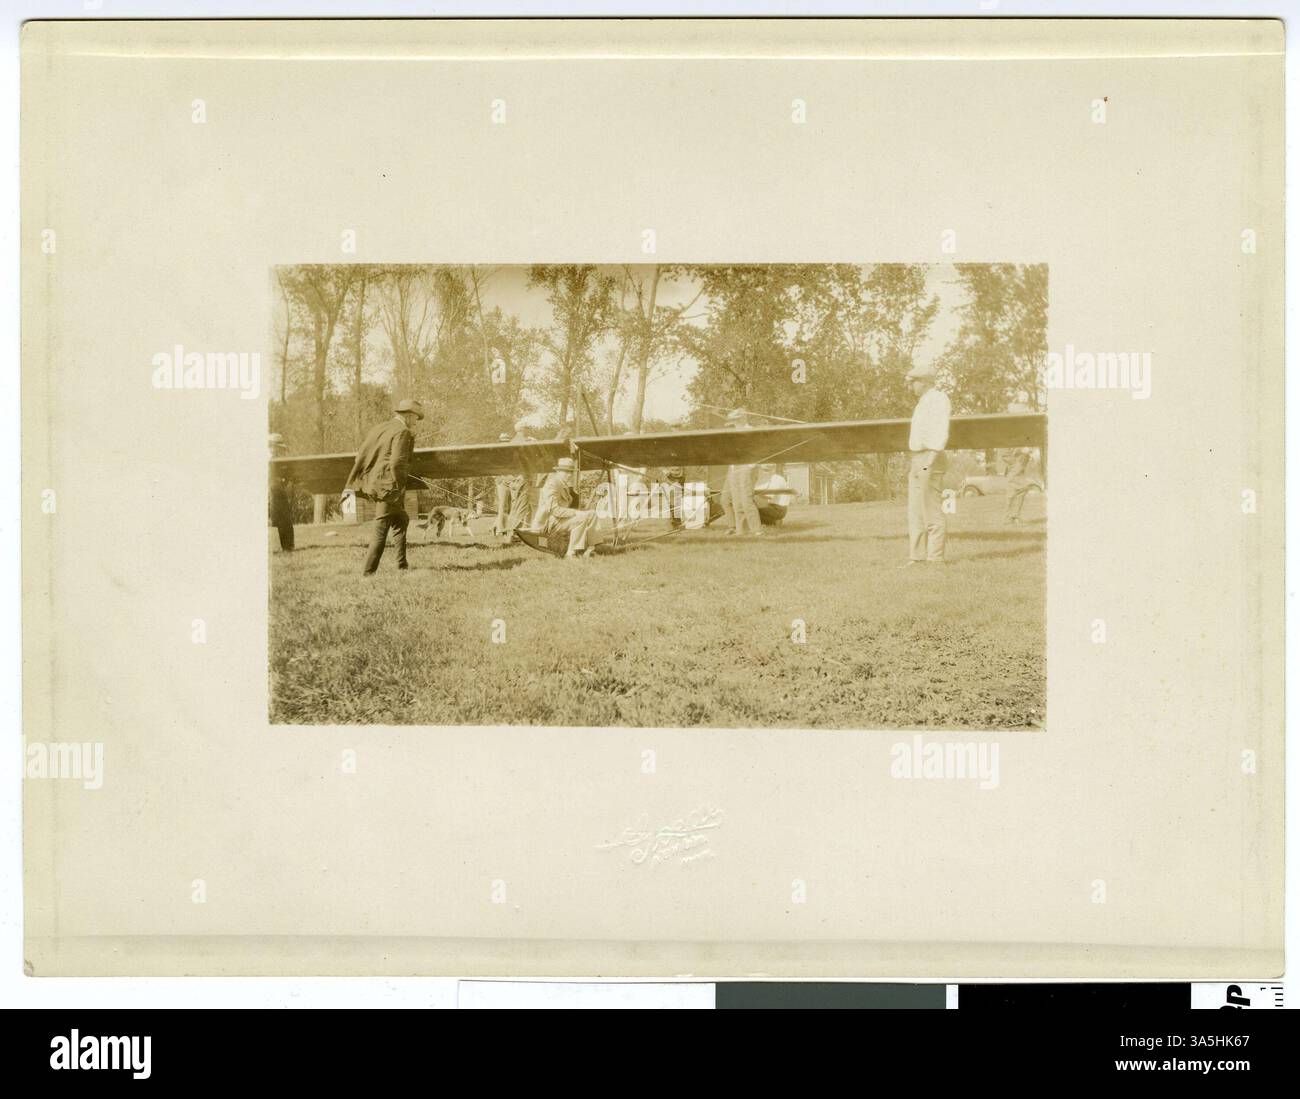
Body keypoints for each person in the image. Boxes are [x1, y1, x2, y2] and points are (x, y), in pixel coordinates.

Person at [343, 398, 424, 575]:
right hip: (389, 487)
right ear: (409, 416)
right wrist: (400, 482)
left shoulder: (379, 428)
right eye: (416, 418)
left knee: (401, 520)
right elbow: (396, 463)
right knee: (381, 528)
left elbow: (361, 456)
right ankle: (368, 572)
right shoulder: (403, 431)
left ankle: (402, 566)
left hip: (375, 484)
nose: (415, 422)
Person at [902, 364, 950, 566]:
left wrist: (929, 461)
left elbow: (940, 430)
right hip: (917, 458)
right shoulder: (922, 402)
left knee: (931, 510)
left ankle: (935, 558)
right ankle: (917, 557)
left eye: (913, 382)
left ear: (923, 382)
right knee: (915, 511)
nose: (911, 386)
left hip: (929, 458)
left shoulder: (938, 399)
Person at [530, 456, 598, 558]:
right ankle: (571, 553)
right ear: (558, 472)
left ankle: (590, 549)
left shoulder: (562, 484)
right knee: (581, 518)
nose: (569, 475)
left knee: (592, 513)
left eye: (571, 472)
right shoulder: (552, 484)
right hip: (548, 523)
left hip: (558, 520)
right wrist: (576, 513)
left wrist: (577, 512)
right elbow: (555, 511)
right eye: (566, 472)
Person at [724, 409, 764, 536]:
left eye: (735, 420)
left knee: (746, 499)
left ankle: (756, 530)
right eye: (732, 421)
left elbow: (758, 449)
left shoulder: (751, 431)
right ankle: (741, 530)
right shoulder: (732, 433)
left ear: (741, 419)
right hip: (734, 467)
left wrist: (751, 466)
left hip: (747, 467)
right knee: (736, 500)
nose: (733, 423)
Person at [268, 434, 294, 552]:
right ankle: (287, 546)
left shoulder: (280, 461)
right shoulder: (269, 457)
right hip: (272, 491)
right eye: (276, 447)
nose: (279, 450)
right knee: (282, 516)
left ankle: (288, 546)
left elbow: (285, 477)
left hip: (276, 492)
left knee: (284, 517)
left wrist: (285, 480)